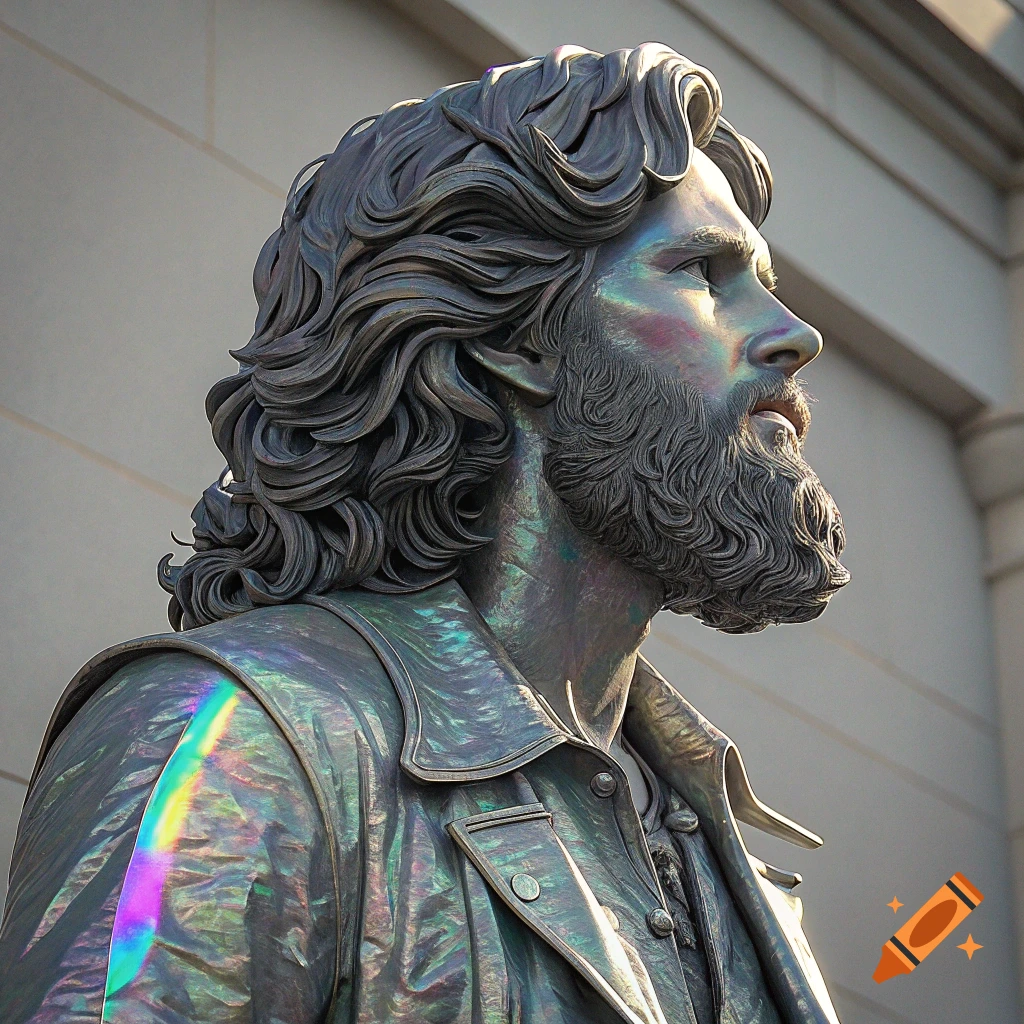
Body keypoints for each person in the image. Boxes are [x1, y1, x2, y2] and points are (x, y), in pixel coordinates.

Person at [0, 43, 849, 1024]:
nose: (794, 331)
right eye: (705, 271)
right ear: (520, 340)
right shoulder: (239, 737)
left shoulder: (719, 845)